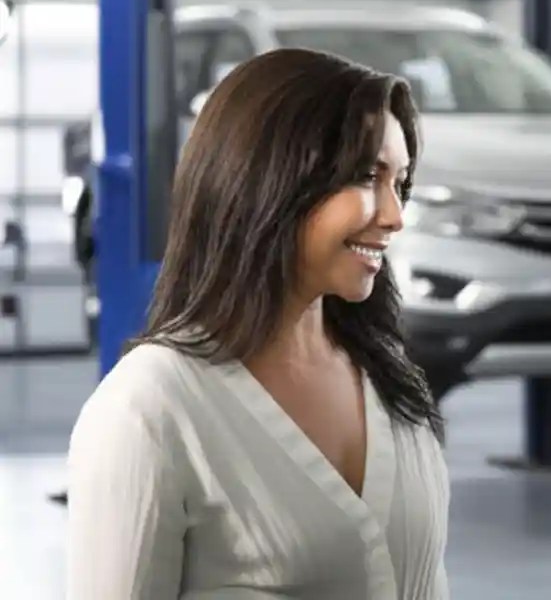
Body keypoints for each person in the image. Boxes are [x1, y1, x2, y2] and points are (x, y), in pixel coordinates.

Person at [66, 48, 450, 599]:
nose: (395, 215)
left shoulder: (395, 388)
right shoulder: (147, 410)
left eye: (401, 182)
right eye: (368, 176)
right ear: (270, 183)